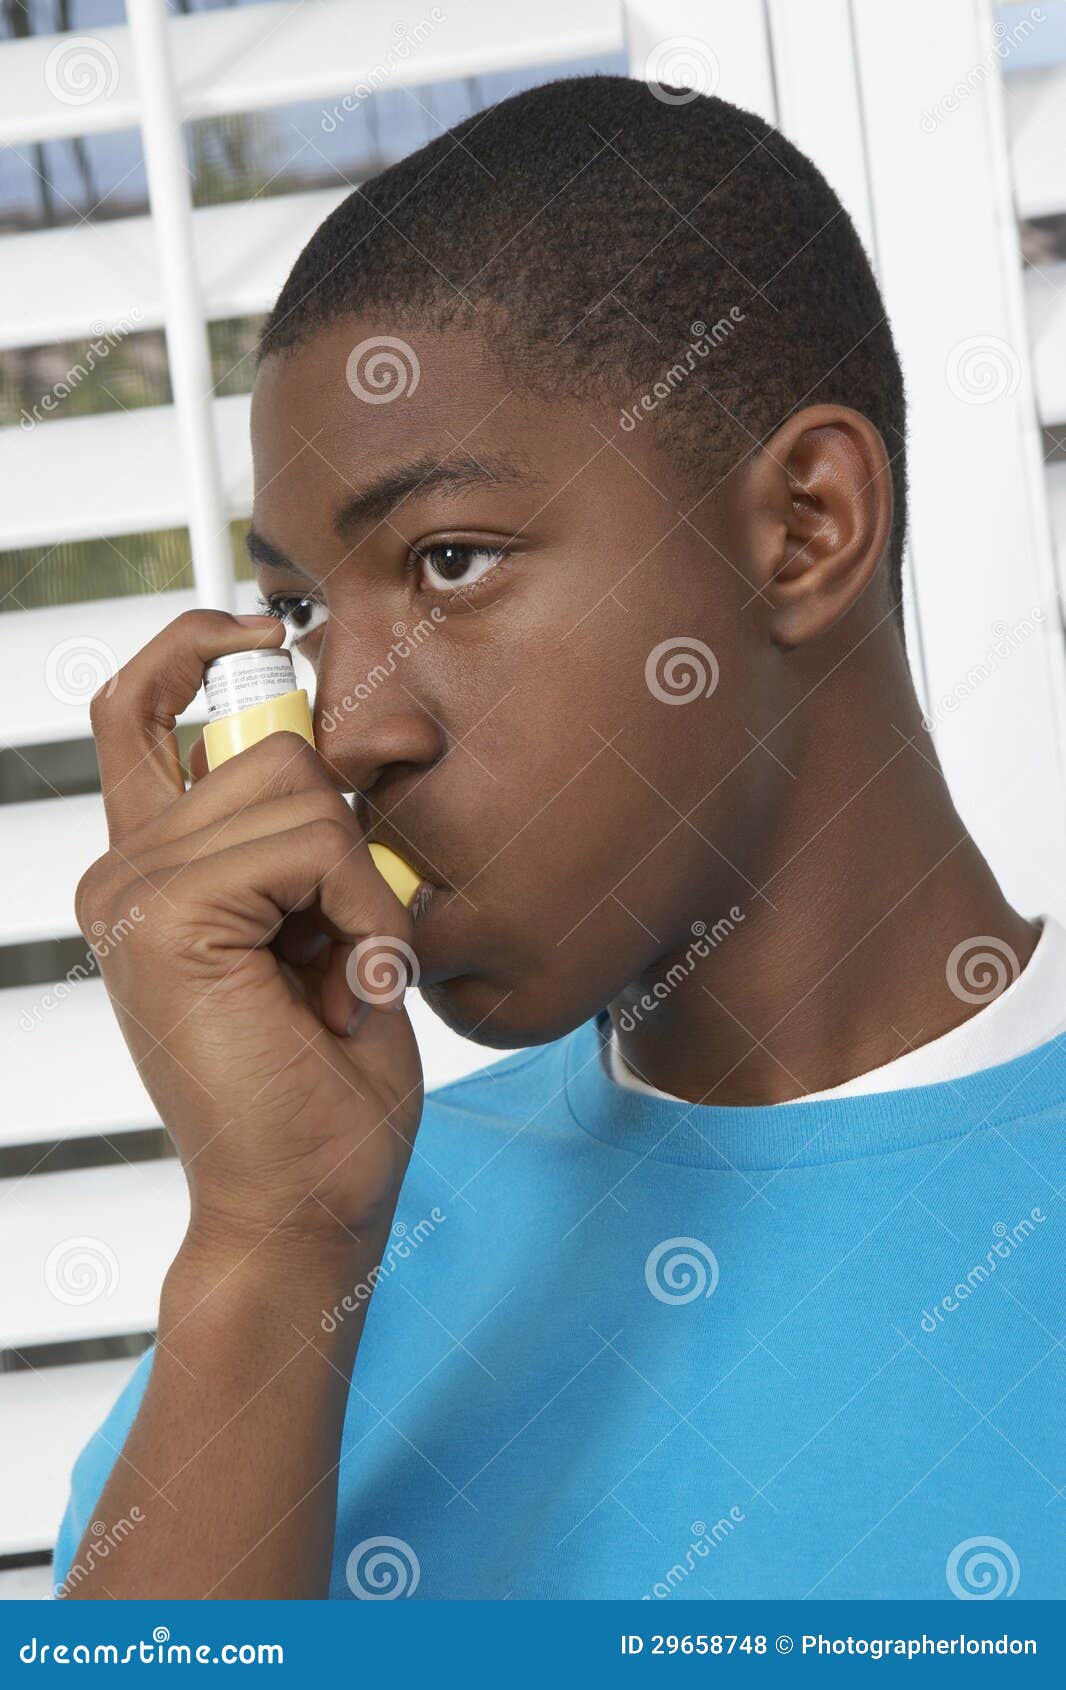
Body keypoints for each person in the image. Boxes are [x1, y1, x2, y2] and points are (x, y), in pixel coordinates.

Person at [53, 74, 1064, 1601]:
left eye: (449, 559)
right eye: (309, 613)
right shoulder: (299, 1263)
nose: (343, 730)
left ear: (802, 527)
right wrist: (273, 1254)